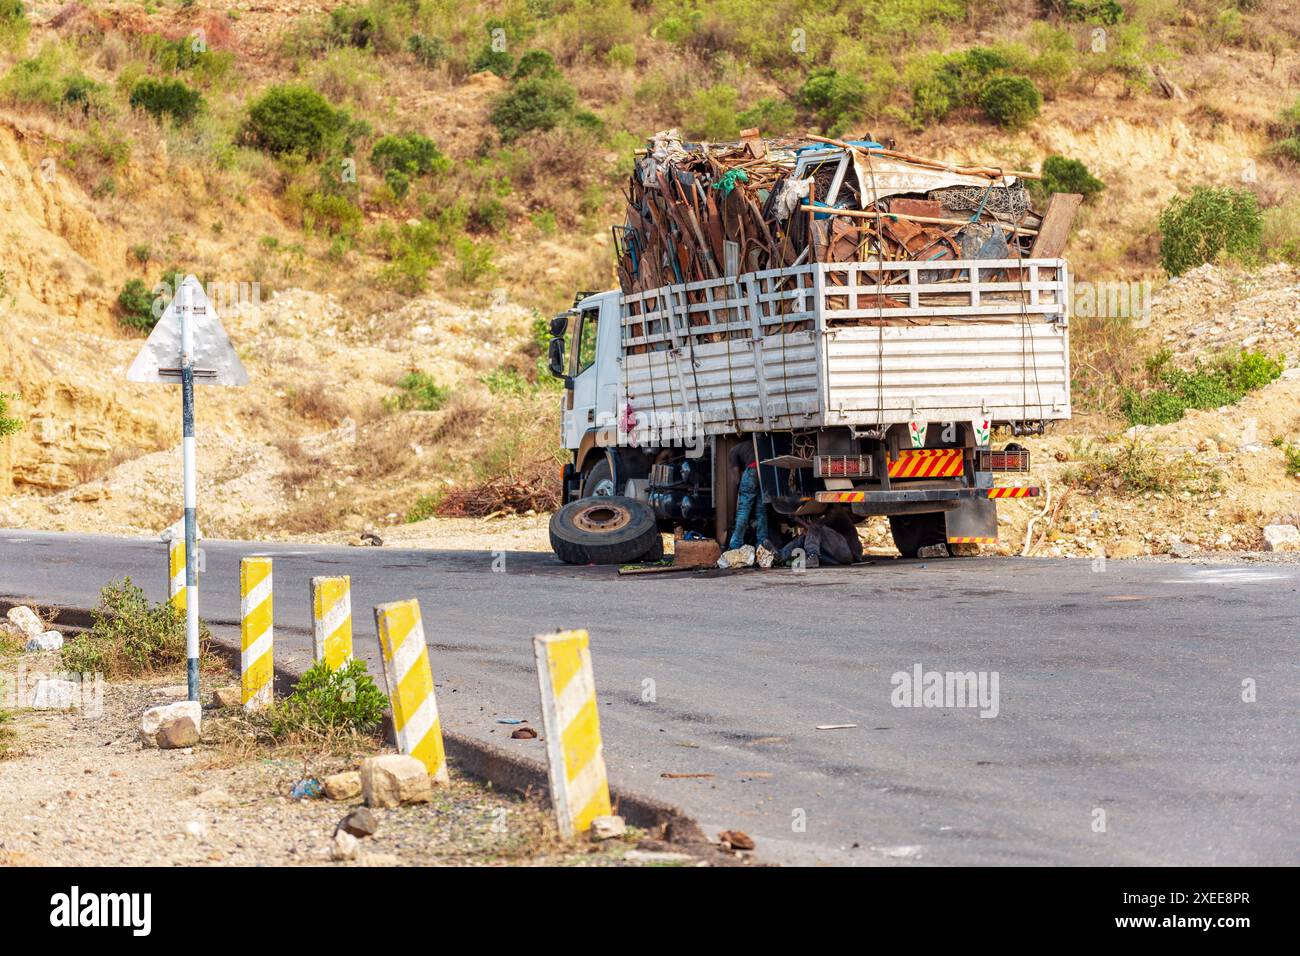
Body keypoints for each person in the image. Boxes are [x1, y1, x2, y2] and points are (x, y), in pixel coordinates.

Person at [776, 507, 863, 568]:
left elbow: (816, 527)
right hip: (835, 557)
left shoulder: (836, 512)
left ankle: (813, 556)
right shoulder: (824, 516)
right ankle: (779, 557)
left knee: (815, 527)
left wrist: (797, 519)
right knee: (804, 537)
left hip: (849, 553)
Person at [727, 439, 769, 551]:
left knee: (743, 510)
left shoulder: (732, 452)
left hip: (752, 470)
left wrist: (740, 489)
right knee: (761, 512)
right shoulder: (748, 445)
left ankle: (735, 545)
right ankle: (762, 545)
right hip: (765, 472)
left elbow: (736, 476)